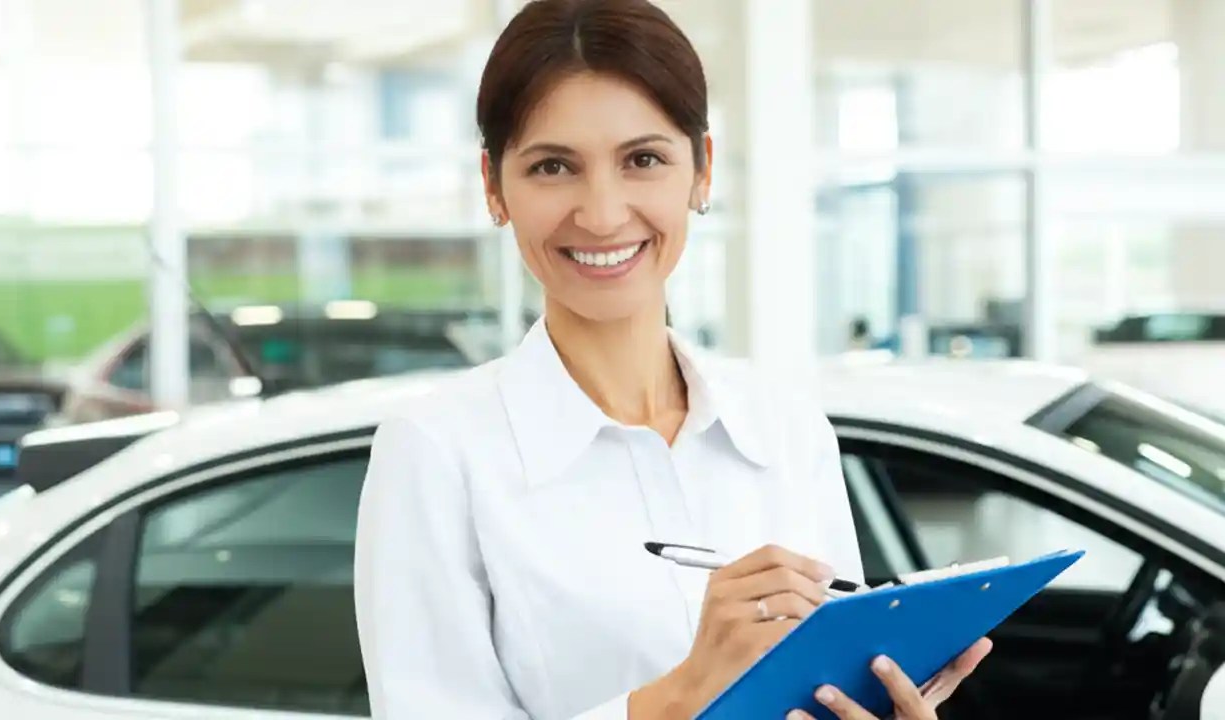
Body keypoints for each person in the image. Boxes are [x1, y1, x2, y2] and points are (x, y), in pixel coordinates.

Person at [353, 1, 991, 718]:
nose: (600, 213)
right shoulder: (439, 452)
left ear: (702, 170)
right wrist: (679, 695)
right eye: (553, 166)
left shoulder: (785, 427)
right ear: (494, 187)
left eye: (643, 160)